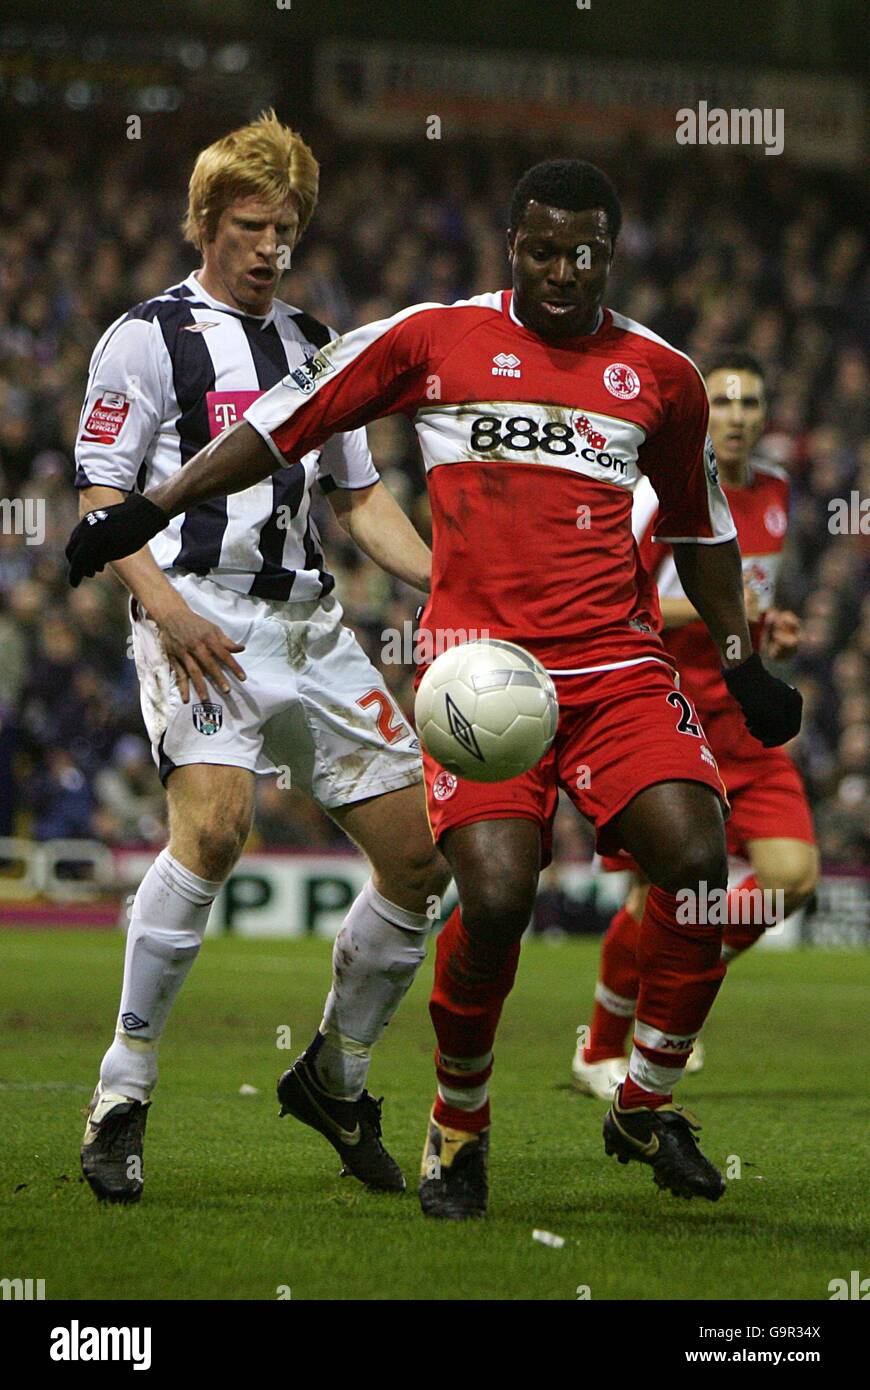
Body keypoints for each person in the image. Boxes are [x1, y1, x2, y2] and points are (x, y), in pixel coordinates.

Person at [67, 158, 802, 1219]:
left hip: (591, 661)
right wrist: (154, 509)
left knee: (679, 860)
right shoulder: (427, 337)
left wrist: (741, 660)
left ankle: (624, 1098)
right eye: (543, 248)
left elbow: (697, 525)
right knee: (471, 889)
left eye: (584, 250)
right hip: (452, 665)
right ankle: (441, 1125)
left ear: (613, 249)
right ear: (512, 245)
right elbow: (283, 427)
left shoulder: (661, 373)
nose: (563, 269)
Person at [73, 110, 450, 1204]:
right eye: (250, 224)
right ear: (204, 221)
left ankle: (335, 1073)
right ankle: (123, 1086)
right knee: (220, 827)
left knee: (420, 863)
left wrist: (452, 581)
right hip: (196, 613)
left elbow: (362, 497)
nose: (270, 247)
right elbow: (104, 495)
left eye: (286, 228)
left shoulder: (314, 344)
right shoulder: (145, 336)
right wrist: (160, 606)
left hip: (313, 627)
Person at [572, 350, 819, 1099]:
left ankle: (679, 979)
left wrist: (767, 630)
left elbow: (747, 605)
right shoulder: (662, 494)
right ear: (702, 409)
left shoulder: (776, 494)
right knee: (656, 899)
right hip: (667, 713)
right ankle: (602, 1049)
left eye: (751, 403)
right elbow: (623, 597)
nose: (738, 416)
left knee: (791, 878)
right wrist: (726, 614)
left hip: (744, 718)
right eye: (725, 402)